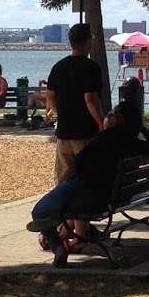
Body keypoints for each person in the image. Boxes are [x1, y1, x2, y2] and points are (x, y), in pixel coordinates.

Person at [29, 79, 149, 265]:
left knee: (39, 212)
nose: (108, 115)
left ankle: (57, 245)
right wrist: (140, 127)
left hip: (91, 194)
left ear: (118, 119)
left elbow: (81, 164)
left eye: (112, 113)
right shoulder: (132, 143)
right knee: (56, 206)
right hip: (114, 195)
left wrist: (105, 129)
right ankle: (60, 235)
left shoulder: (105, 140)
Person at [45, 23, 105, 183]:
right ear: (87, 41)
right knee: (88, 176)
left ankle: (63, 206)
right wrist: (101, 122)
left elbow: (49, 94)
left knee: (63, 178)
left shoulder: (59, 67)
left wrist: (59, 113)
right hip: (85, 131)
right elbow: (90, 99)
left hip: (64, 131)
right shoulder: (91, 67)